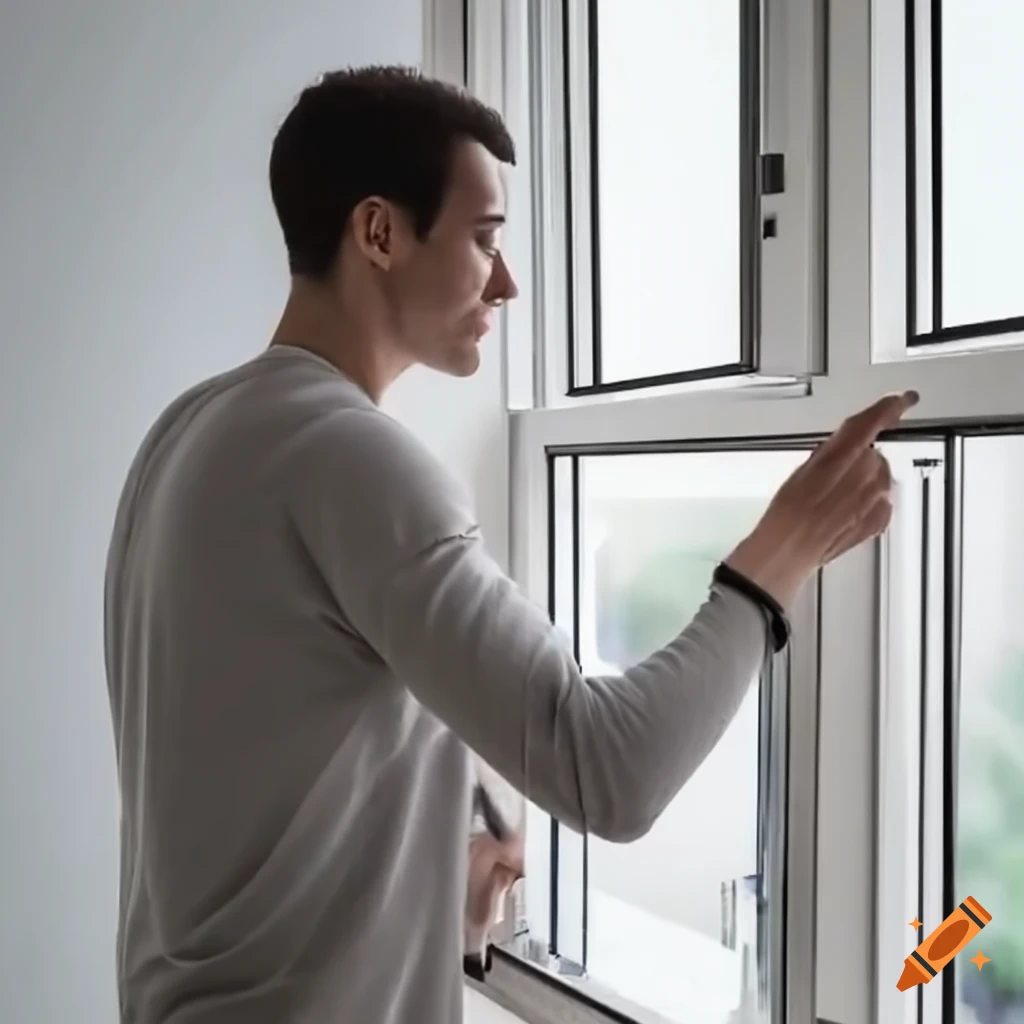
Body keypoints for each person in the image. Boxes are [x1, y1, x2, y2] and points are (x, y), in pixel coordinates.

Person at [103, 65, 918, 1024]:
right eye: (485, 239)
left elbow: (253, 774)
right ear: (379, 233)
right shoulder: (351, 458)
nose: (508, 281)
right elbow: (609, 774)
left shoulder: (191, 431)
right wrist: (780, 557)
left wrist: (437, 915)